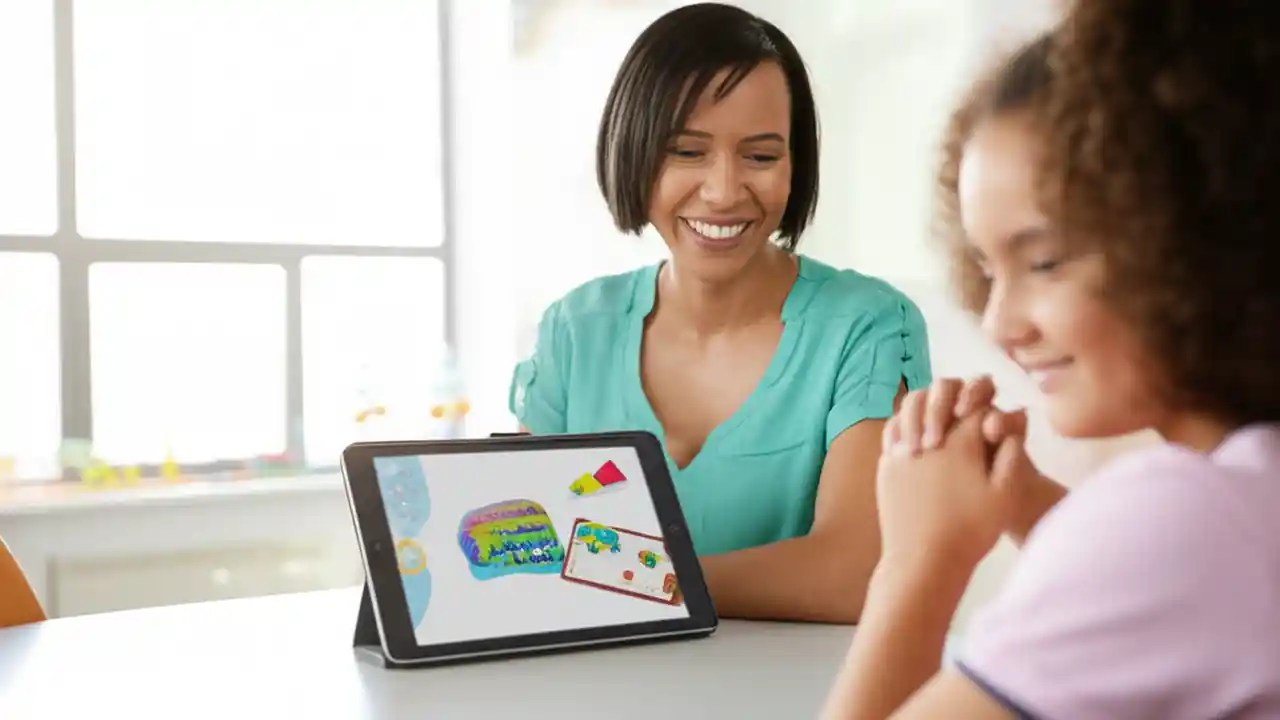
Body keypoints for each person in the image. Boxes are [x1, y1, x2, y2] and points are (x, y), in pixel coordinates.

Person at [822, 2, 1280, 716]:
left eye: (1045, 261)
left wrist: (920, 560)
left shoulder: (1185, 518)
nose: (1000, 323)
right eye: (986, 266)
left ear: (1193, 231)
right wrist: (1030, 504)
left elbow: (1168, 555)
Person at [507, 2, 931, 623]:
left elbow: (851, 576)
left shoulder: (865, 325)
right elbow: (527, 554)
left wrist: (613, 575)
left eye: (760, 157)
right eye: (686, 151)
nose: (725, 191)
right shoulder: (576, 328)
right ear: (634, 150)